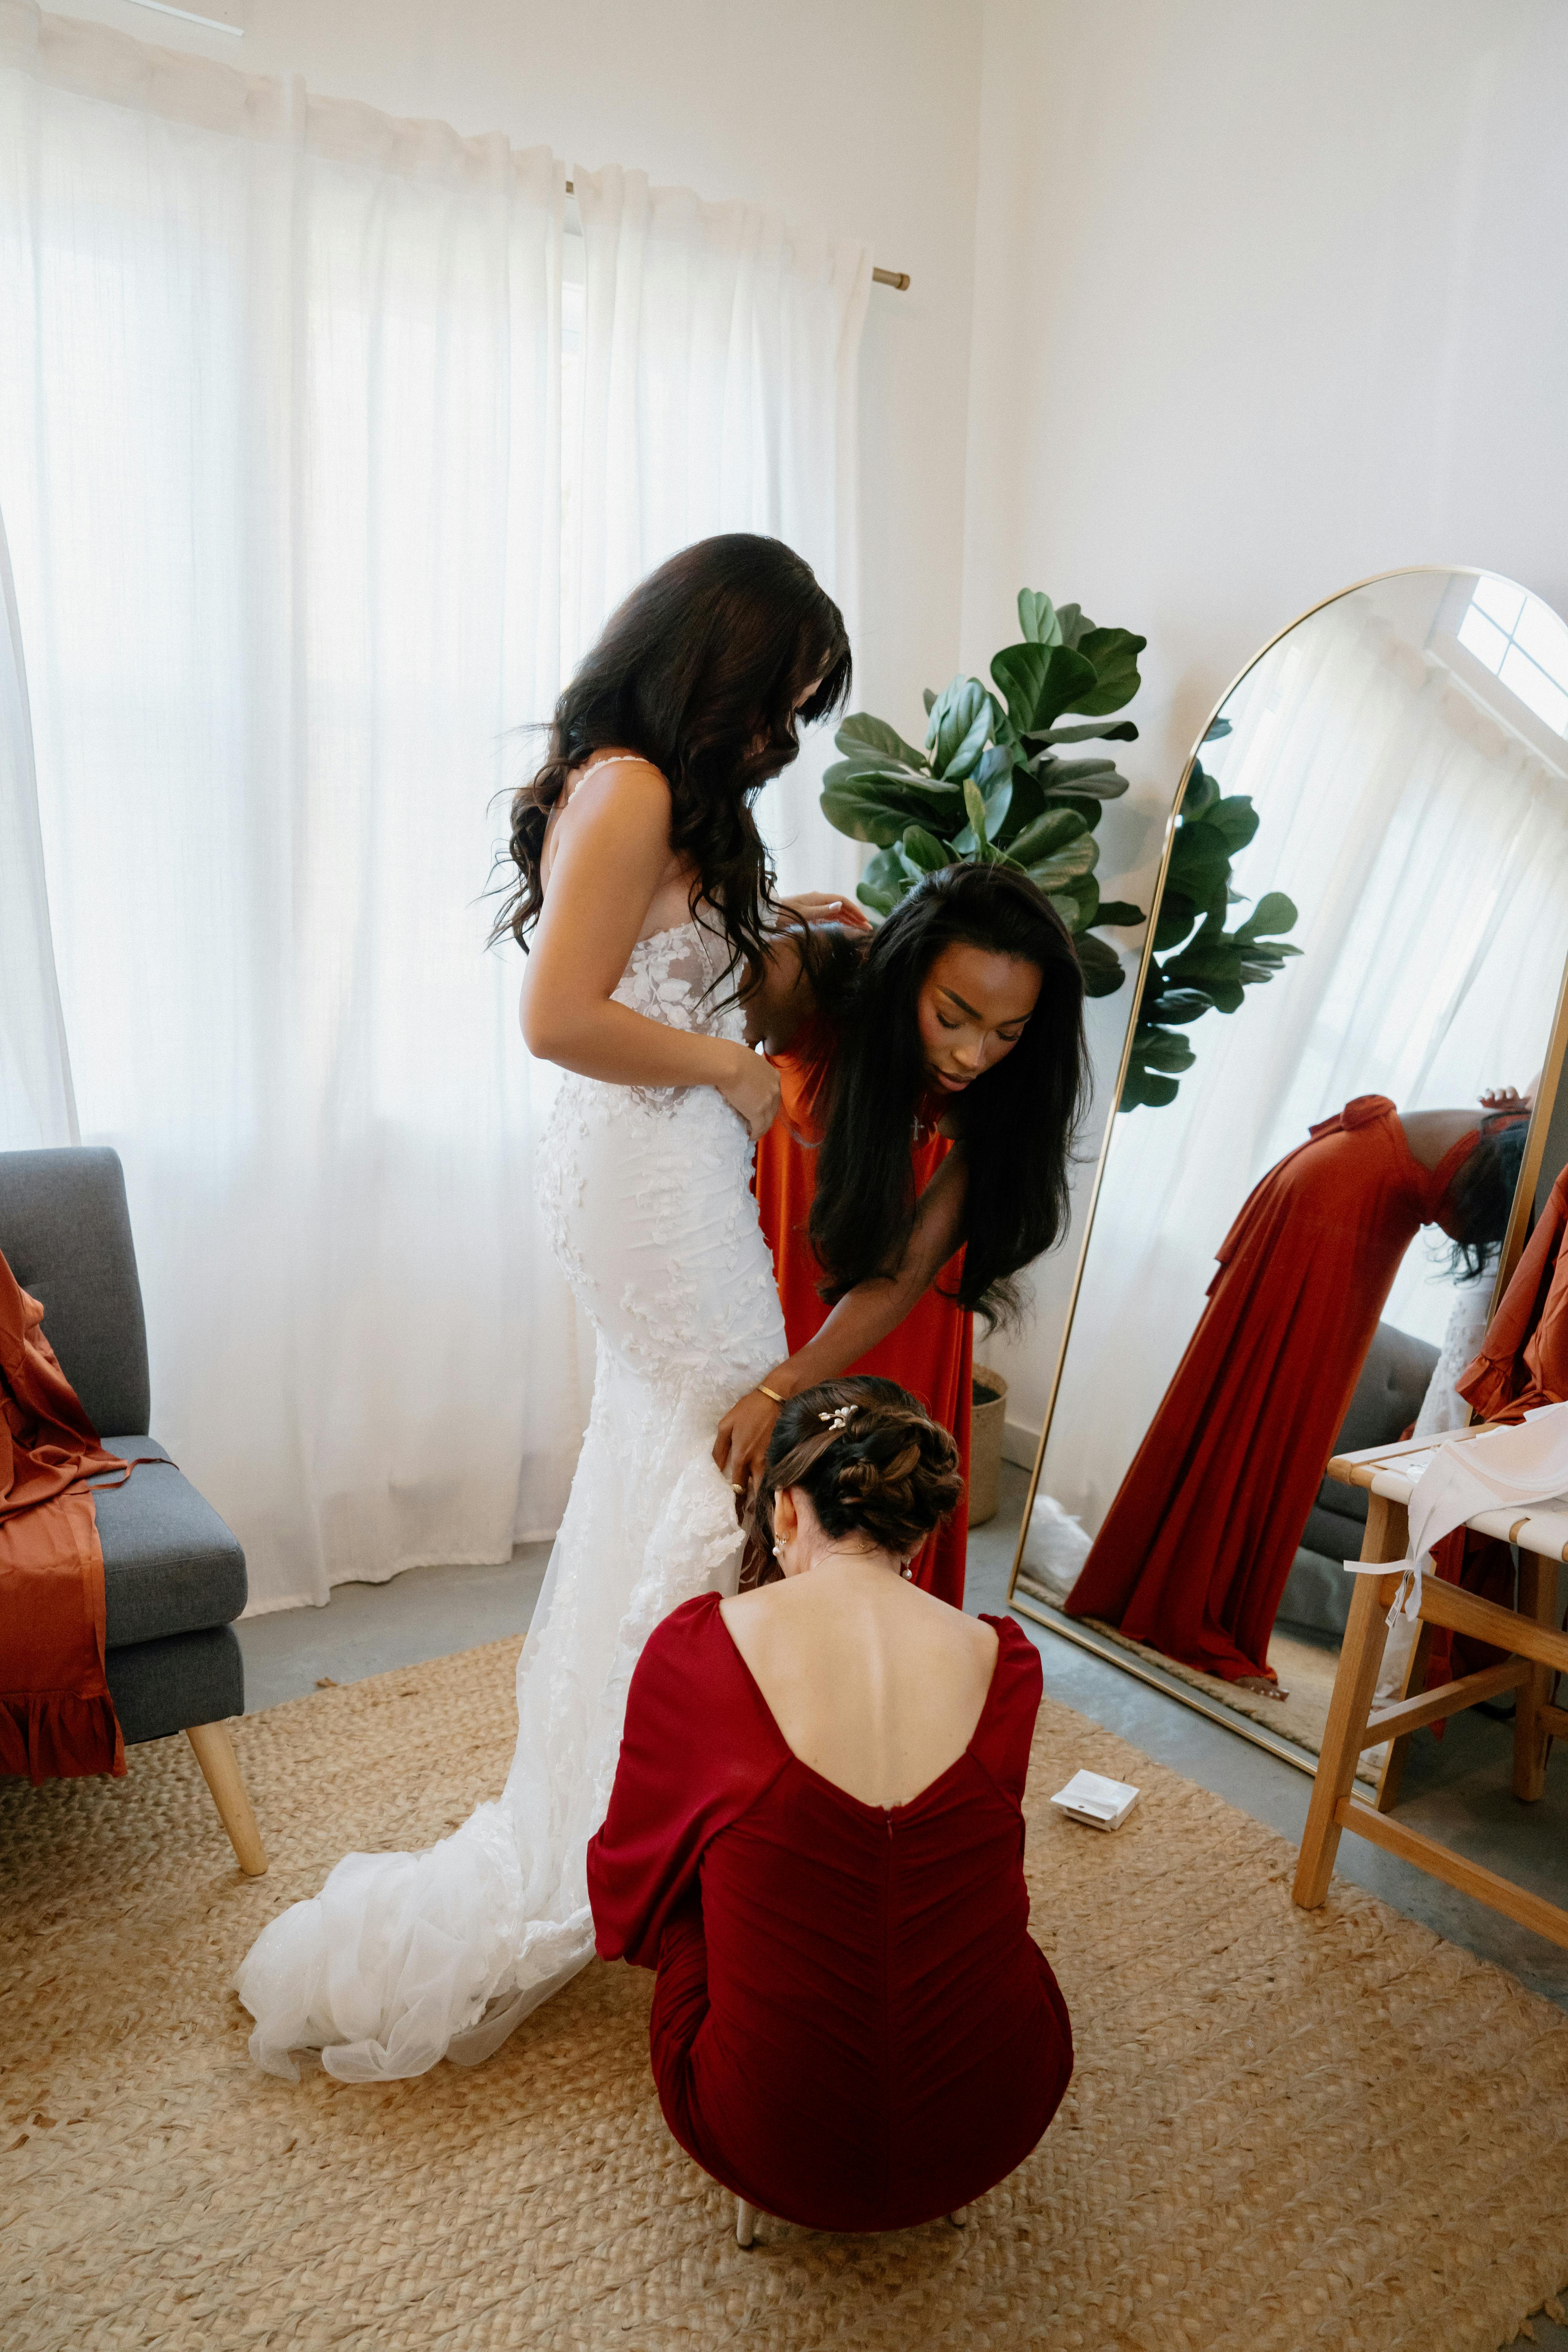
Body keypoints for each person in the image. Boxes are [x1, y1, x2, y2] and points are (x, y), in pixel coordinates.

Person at [235, 533, 854, 2080]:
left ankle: (646, 1810)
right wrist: (728, 1065)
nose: (787, 728)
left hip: (670, 1173)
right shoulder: (633, 779)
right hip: (645, 1172)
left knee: (683, 1476)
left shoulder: (658, 791)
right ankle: (621, 1828)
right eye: (782, 691)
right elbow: (558, 1017)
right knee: (734, 1472)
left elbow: (666, 975)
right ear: (718, 656)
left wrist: (772, 965)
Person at [588, 1377, 1074, 2232]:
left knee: (691, 1890)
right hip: (996, 2125)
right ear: (919, 1528)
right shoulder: (1003, 1660)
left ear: (783, 1511)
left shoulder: (701, 1649)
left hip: (769, 2143)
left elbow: (625, 1871)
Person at [1063, 1095, 1529, 1692]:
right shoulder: (1538, 1137)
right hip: (1338, 1203)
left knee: (1271, 1409)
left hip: (1346, 1192)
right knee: (1271, 1412)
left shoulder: (1531, 1133)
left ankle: (1174, 1592)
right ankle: (1187, 1609)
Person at [715, 864, 1089, 1606]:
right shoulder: (807, 979)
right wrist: (763, 916)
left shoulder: (1010, 1089)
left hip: (894, 1312)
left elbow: (907, 1270)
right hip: (776, 1269)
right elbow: (668, 988)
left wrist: (784, 1384)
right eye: (952, 1018)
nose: (972, 1057)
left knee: (874, 1532)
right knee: (759, 1525)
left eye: (1006, 1033)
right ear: (905, 970)